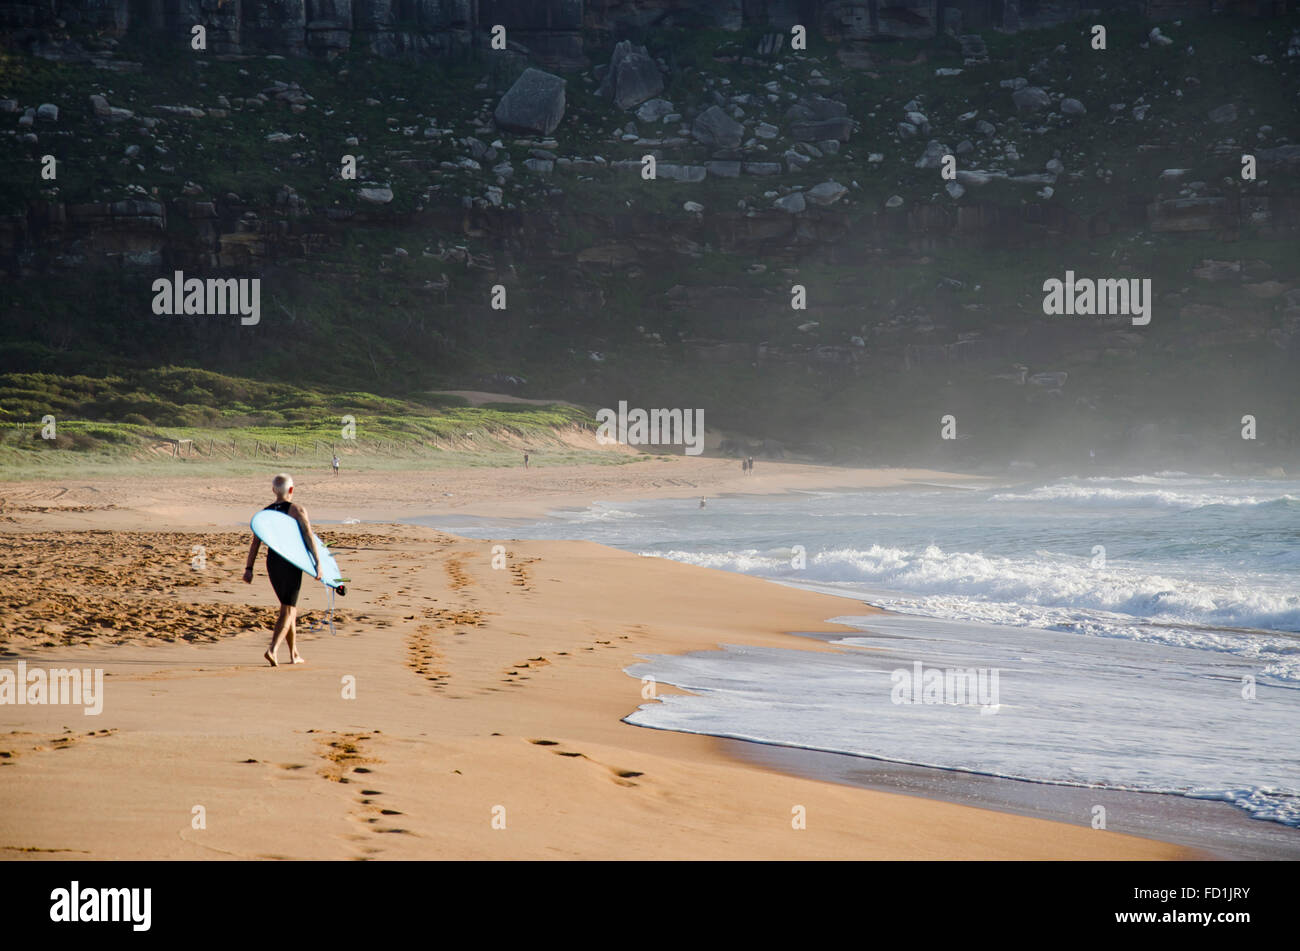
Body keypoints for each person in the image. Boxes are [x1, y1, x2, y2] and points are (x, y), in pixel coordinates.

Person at [243, 473, 321, 667]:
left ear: (273, 490)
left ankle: (294, 654)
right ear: (291, 490)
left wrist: (249, 568)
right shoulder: (297, 510)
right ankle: (273, 649)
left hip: (273, 564)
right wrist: (318, 563)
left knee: (288, 608)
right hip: (291, 563)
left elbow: (255, 543)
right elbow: (309, 536)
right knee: (288, 609)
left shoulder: (265, 513)